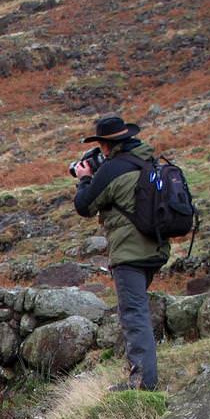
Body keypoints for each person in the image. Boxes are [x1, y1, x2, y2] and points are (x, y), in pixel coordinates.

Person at [73, 113, 170, 391]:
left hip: (130, 253)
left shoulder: (113, 169)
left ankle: (142, 383)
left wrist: (84, 179)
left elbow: (84, 206)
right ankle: (140, 372)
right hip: (156, 247)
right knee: (137, 310)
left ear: (105, 145)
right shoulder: (146, 159)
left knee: (134, 314)